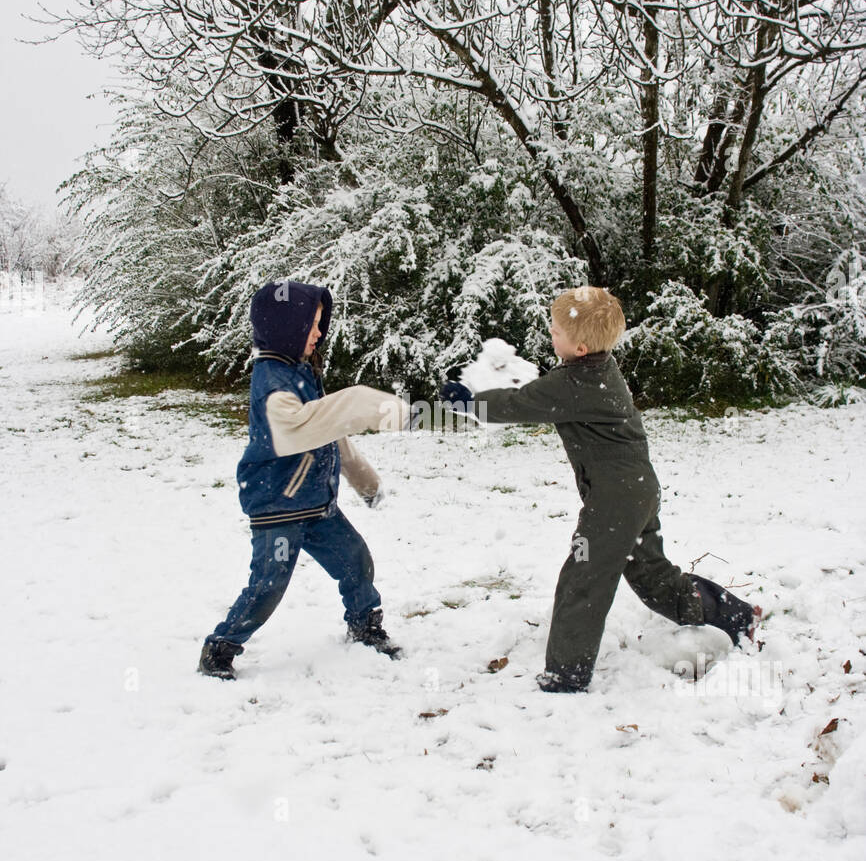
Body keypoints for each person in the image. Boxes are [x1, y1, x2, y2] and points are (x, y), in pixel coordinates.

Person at [440, 287, 759, 693]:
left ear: (581, 346)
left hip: (613, 502)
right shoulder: (598, 369)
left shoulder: (574, 384)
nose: (550, 334)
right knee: (653, 577)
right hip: (635, 492)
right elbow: (536, 395)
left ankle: (566, 675)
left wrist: (468, 401)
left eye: (556, 331)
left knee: (583, 577)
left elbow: (519, 403)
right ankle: (736, 615)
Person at [198, 279, 408, 680]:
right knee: (268, 587)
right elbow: (296, 428)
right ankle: (220, 647)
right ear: (285, 327)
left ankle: (365, 625)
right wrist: (361, 403)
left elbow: (328, 430)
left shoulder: (300, 369)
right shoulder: (272, 385)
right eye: (311, 324)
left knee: (356, 560)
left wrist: (363, 480)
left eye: (319, 323)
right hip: (278, 506)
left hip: (317, 504)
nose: (319, 332)